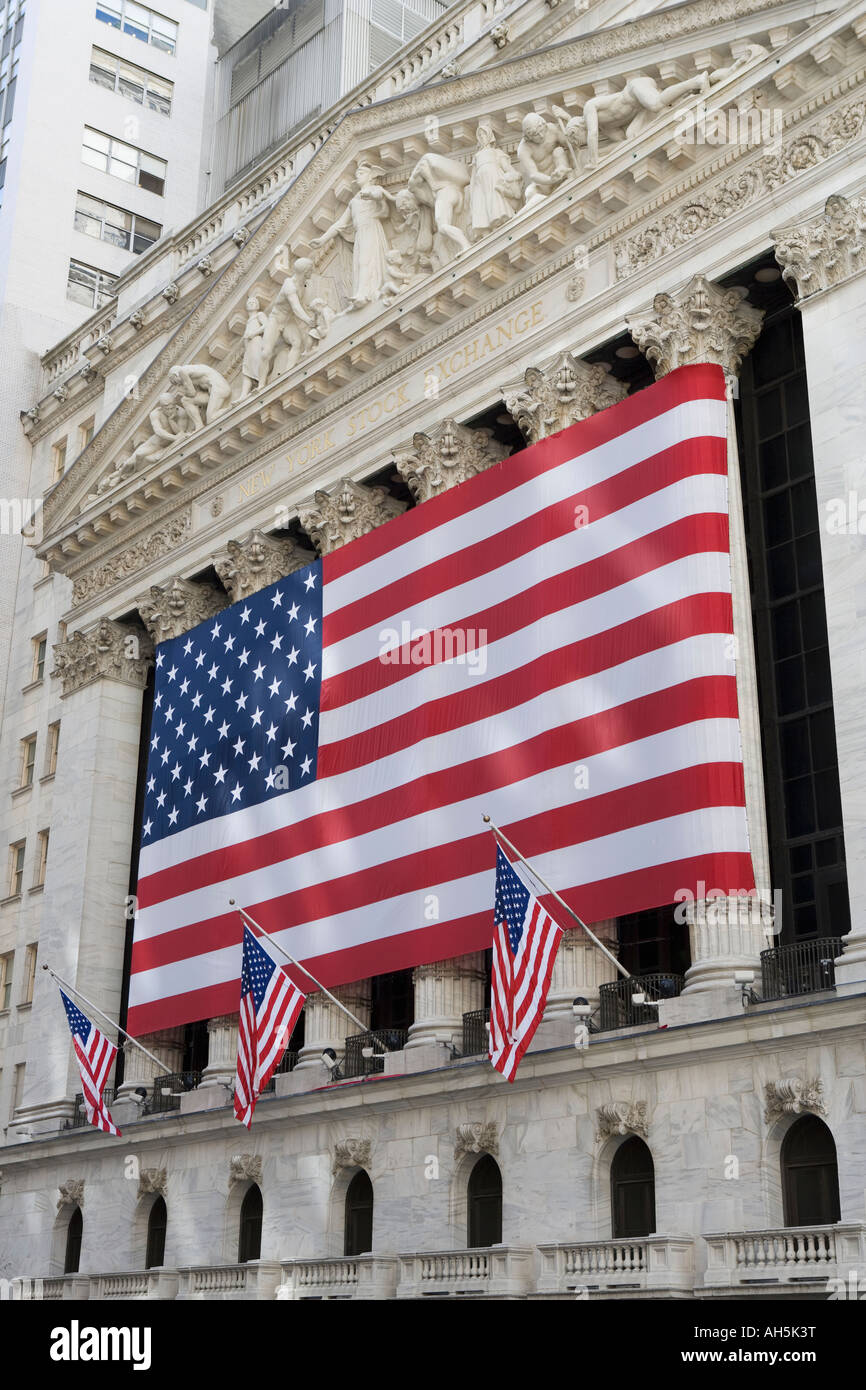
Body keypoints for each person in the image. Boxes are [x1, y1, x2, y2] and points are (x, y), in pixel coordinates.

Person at [310, 162, 392, 307]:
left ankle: (363, 293)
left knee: (364, 260)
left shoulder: (375, 190)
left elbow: (385, 212)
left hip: (371, 228)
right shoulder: (353, 201)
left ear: (371, 176)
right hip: (361, 233)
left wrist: (375, 198)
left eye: (361, 173)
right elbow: (340, 224)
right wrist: (323, 239)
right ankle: (362, 291)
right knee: (360, 263)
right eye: (356, 174)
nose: (357, 176)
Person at [469, 121, 521, 238]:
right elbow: (473, 177)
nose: (482, 138)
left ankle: (499, 223)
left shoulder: (496, 152)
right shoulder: (476, 156)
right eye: (480, 136)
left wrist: (515, 174)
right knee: (482, 204)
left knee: (495, 201)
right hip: (480, 184)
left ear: (489, 137)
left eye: (484, 135)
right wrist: (472, 194)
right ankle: (487, 228)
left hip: (493, 179)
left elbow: (507, 167)